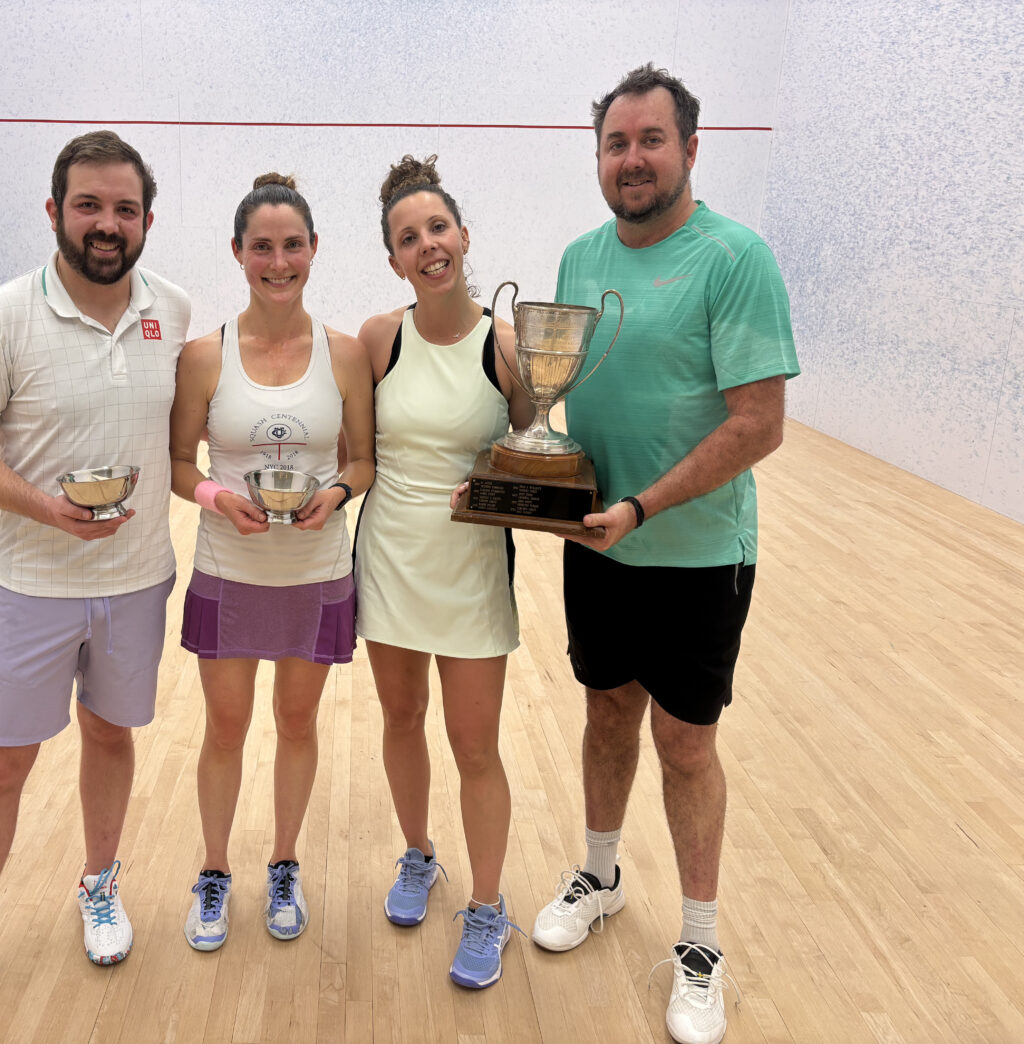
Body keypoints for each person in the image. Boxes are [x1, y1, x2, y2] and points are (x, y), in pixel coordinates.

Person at [530, 64, 799, 1044]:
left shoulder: (736, 260)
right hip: (596, 545)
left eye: (650, 140)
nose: (631, 158)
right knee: (606, 713)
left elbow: (760, 423)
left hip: (692, 554)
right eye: (615, 143)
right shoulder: (575, 258)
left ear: (692, 147)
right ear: (597, 157)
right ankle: (600, 877)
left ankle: (698, 942)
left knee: (685, 745)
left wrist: (642, 507)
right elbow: (550, 398)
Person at [0, 131, 191, 1043]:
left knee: (111, 735)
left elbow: (185, 448)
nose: (107, 224)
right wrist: (44, 507)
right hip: (32, 583)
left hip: (139, 577)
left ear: (147, 220)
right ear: (54, 213)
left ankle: (99, 884)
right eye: (89, 205)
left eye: (124, 208)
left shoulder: (175, 311)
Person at [169, 173, 375, 952]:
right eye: (263, 247)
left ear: (314, 251)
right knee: (225, 727)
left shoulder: (346, 354)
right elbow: (177, 461)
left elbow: (366, 462)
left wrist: (340, 495)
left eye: (293, 246)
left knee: (296, 721)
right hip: (229, 568)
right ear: (238, 254)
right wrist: (217, 498)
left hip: (317, 570)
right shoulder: (204, 357)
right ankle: (214, 871)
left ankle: (284, 863)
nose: (278, 261)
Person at [353, 155, 533, 989]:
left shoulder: (507, 350)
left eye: (437, 228)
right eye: (407, 237)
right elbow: (358, 453)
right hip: (389, 553)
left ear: (464, 236)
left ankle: (489, 909)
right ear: (393, 259)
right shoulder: (378, 338)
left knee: (475, 745)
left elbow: (537, 470)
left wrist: (495, 487)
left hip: (469, 569)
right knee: (400, 717)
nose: (427, 245)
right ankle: (419, 856)